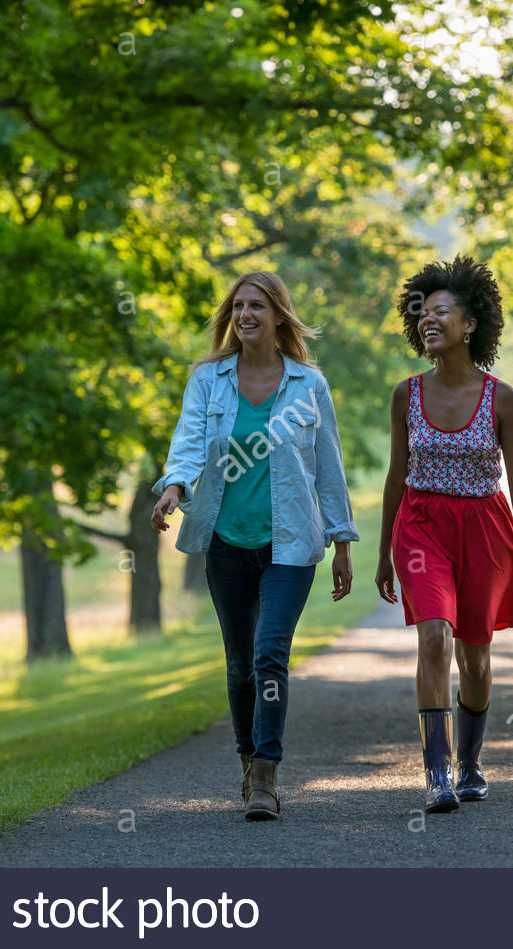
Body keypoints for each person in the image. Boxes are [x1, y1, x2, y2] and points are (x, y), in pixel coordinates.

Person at [151, 270, 358, 822]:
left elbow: (328, 467)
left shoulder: (308, 386)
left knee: (270, 654)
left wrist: (341, 539)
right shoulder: (209, 380)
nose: (246, 315)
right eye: (238, 306)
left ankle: (266, 772)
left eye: (257, 306)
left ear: (278, 316)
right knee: (241, 663)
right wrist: (174, 485)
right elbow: (189, 441)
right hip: (225, 540)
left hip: (288, 543)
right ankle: (247, 760)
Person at [375, 253, 513, 813]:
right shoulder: (406, 394)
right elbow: (395, 477)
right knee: (432, 637)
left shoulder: (502, 398)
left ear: (469, 325)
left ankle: (471, 764)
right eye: (421, 312)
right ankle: (437, 774)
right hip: (422, 526)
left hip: (486, 531)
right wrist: (382, 555)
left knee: (475, 657)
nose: (428, 320)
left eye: (440, 312)